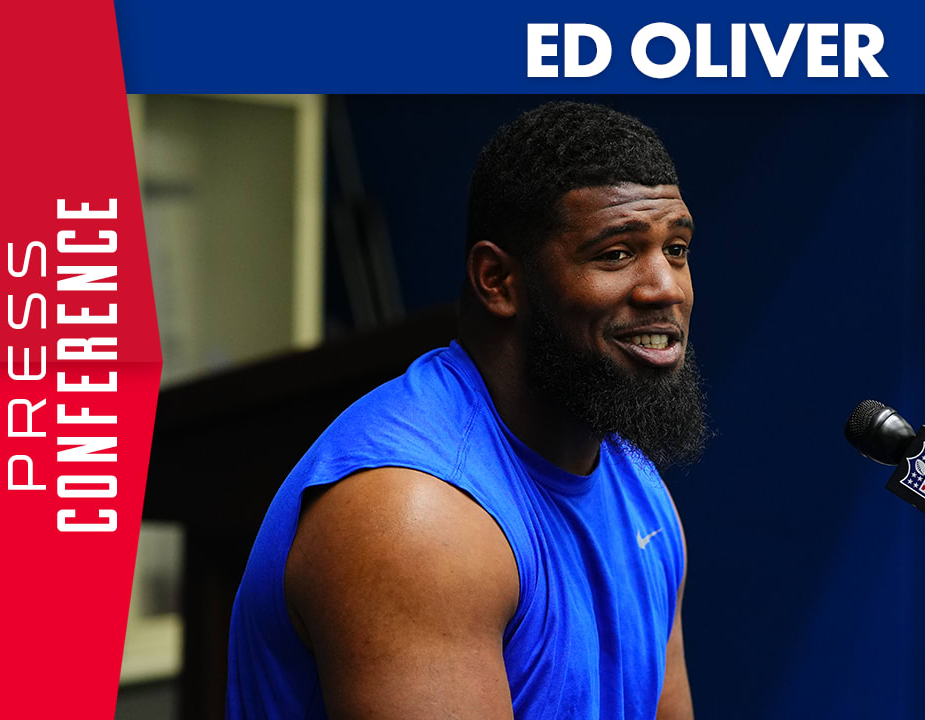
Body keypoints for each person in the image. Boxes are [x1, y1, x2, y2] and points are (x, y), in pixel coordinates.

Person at [226, 102, 709, 719]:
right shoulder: (415, 517)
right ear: (498, 280)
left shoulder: (636, 486)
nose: (665, 287)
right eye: (615, 254)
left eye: (676, 249)